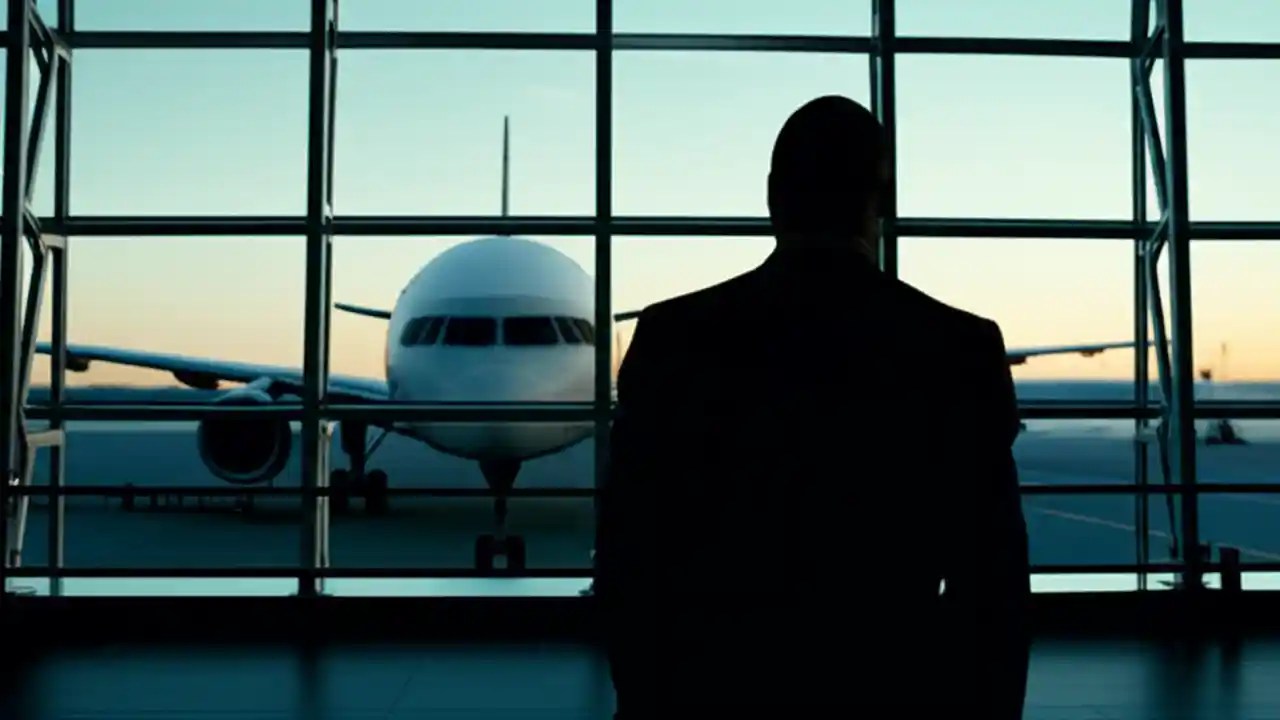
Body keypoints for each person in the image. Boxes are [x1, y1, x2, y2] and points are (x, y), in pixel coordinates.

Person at [594, 95, 1030, 716]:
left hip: (707, 686)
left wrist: (649, 696)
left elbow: (628, 557)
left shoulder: (672, 336)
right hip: (886, 686)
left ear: (772, 196)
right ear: (884, 199)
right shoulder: (959, 347)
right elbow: (992, 590)